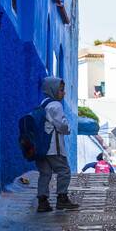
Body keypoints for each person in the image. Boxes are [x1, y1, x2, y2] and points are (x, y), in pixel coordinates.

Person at [36, 77, 79, 213]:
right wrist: (67, 127)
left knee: (45, 173)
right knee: (64, 171)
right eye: (61, 90)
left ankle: (42, 202)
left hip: (41, 147)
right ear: (53, 90)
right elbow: (62, 126)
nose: (64, 93)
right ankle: (62, 198)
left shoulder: (43, 103)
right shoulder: (56, 105)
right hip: (53, 147)